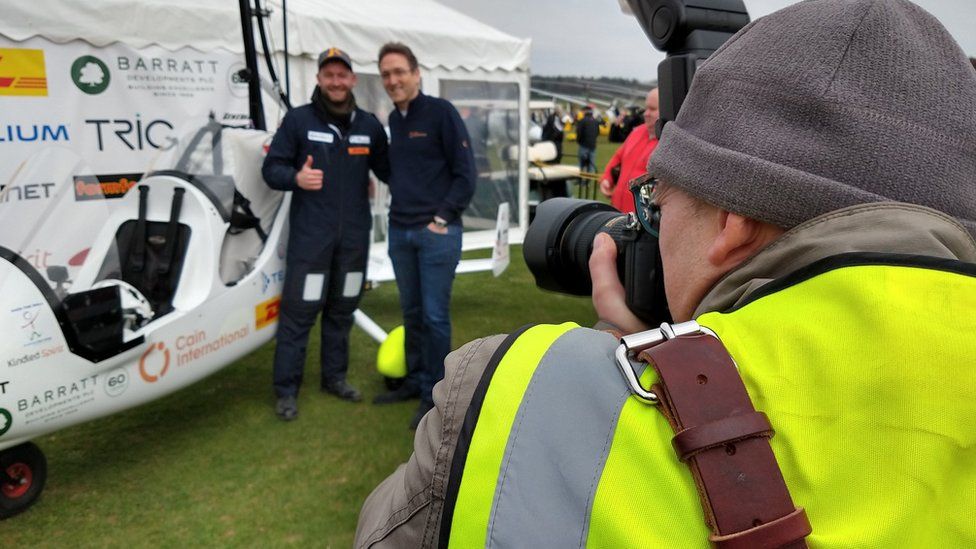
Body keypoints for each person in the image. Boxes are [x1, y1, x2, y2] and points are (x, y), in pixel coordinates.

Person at [355, 1, 976, 546]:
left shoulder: (517, 405)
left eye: (653, 200)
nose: (641, 227)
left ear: (733, 221)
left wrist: (618, 358)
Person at [261, 47, 390, 421]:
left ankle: (334, 378)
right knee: (299, 315)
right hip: (311, 243)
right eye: (328, 75)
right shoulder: (299, 122)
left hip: (353, 243)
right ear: (319, 80)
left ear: (352, 79)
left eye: (342, 75)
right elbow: (272, 169)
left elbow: (389, 170)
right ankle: (286, 391)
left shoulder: (368, 125)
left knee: (342, 311)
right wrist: (296, 177)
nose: (336, 81)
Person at [371, 42, 477, 429]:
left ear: (416, 73)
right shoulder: (395, 120)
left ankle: (435, 395)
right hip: (401, 231)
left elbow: (466, 173)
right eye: (386, 74)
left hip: (435, 233)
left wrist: (442, 217)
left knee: (434, 317)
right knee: (412, 313)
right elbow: (397, 171)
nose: (393, 80)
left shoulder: (441, 113)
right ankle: (414, 382)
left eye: (399, 72)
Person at [599, 88, 659, 213]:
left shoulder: (670, 143)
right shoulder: (637, 132)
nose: (646, 113)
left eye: (652, 109)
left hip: (644, 220)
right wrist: (606, 179)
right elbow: (618, 157)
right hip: (617, 212)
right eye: (646, 108)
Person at [575, 104, 599, 173]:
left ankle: (580, 177)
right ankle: (590, 178)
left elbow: (579, 132)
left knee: (581, 163)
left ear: (585, 111)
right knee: (591, 163)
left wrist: (578, 141)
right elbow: (597, 132)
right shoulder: (595, 121)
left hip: (584, 144)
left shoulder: (582, 121)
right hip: (593, 144)